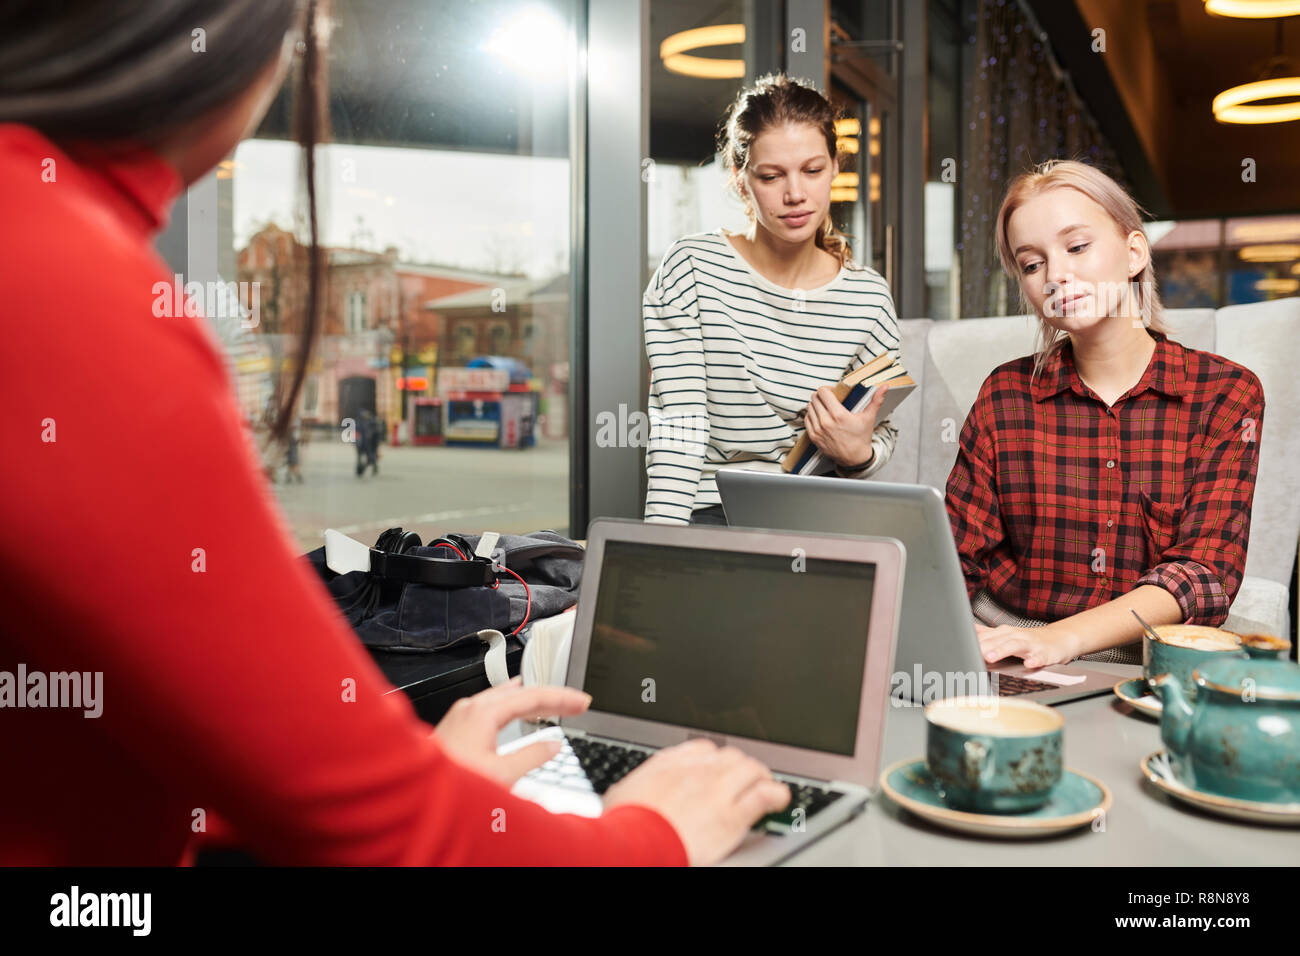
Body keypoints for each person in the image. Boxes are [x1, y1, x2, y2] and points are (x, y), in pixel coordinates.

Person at [0, 0, 789, 865]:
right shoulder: (68, 292)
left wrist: (398, 773)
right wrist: (657, 835)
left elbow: (146, 744)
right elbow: (393, 842)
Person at [945, 159, 1265, 668]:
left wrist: (1060, 641)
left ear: (1134, 251)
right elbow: (953, 556)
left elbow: (1205, 573)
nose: (1057, 275)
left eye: (1077, 247)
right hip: (1001, 645)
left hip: (1145, 659)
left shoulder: (1225, 393)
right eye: (1032, 264)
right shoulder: (1005, 393)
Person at [643, 74, 901, 526]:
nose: (795, 194)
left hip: (818, 512)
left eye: (812, 170)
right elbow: (677, 429)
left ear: (835, 169)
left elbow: (880, 433)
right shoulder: (691, 268)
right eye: (771, 175)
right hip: (714, 509)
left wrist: (858, 453)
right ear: (741, 180)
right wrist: (657, 549)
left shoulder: (868, 298)